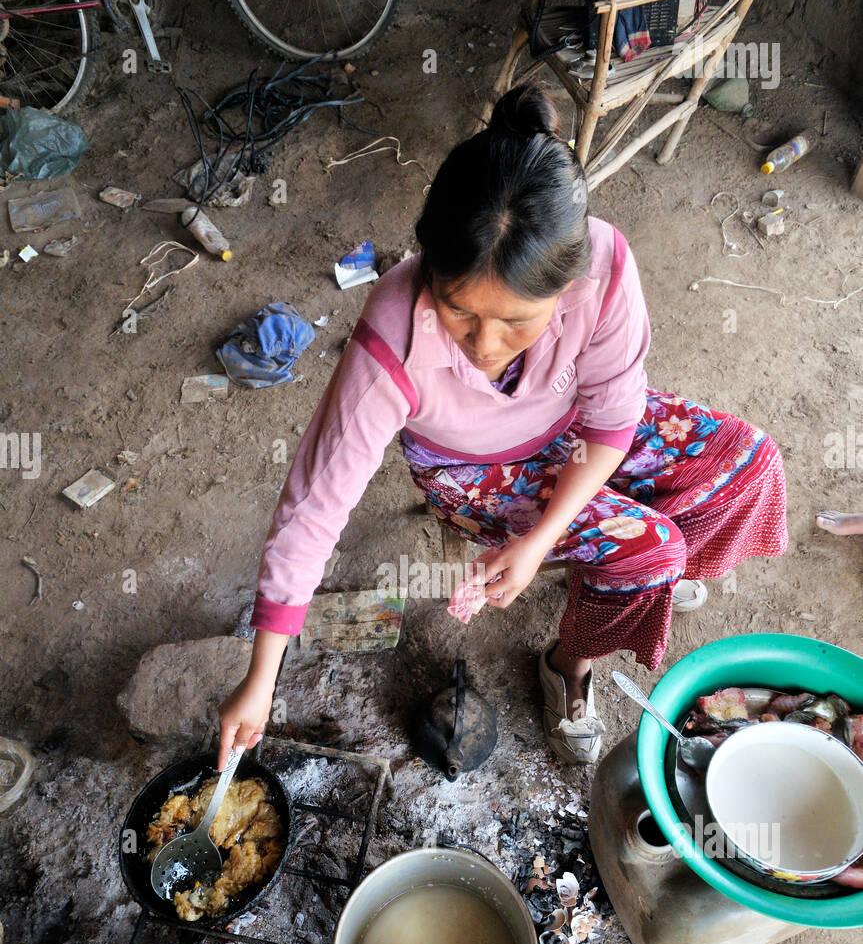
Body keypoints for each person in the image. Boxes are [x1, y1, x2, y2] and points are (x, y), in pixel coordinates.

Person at [218, 85, 788, 768]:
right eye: (460, 313)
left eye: (517, 322)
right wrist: (260, 679)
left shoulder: (601, 267)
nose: (484, 347)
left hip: (577, 429)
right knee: (650, 550)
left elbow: (611, 420)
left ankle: (625, 580)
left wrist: (542, 539)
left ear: (567, 285)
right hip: (473, 472)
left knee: (747, 460)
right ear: (430, 267)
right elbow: (313, 509)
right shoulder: (392, 335)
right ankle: (568, 663)